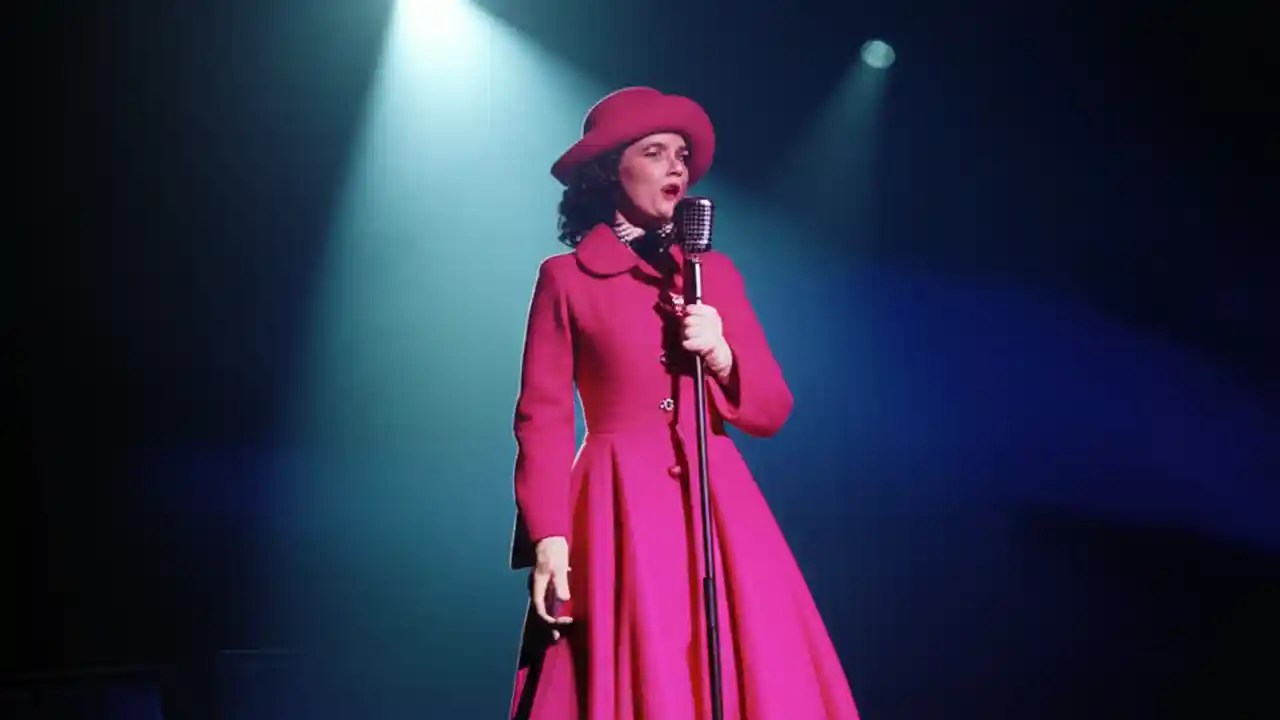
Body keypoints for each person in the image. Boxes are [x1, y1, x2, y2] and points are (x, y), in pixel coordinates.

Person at [507, 86, 859, 719]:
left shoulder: (711, 273)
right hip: (615, 501)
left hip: (714, 498)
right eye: (654, 151)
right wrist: (549, 538)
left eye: (682, 154)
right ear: (609, 170)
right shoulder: (566, 278)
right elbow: (543, 416)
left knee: (750, 666)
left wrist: (722, 354)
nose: (676, 165)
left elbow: (771, 411)